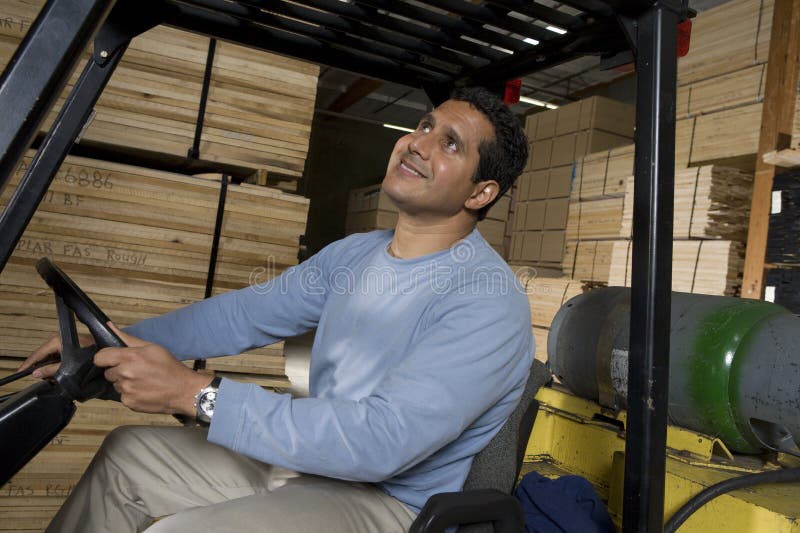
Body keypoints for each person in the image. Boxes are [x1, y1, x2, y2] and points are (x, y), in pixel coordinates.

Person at [21, 86, 533, 533]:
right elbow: (243, 315)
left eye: (449, 144)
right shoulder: (355, 254)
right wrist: (113, 341)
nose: (417, 143)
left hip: (385, 502)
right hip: (312, 463)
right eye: (424, 126)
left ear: (481, 192)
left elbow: (380, 442)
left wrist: (193, 393)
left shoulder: (485, 300)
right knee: (127, 458)